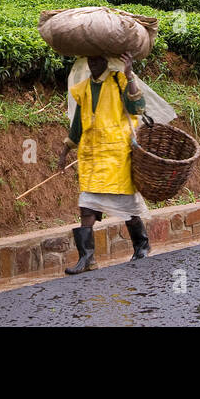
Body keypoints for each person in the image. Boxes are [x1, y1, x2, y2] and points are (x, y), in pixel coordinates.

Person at [56, 51, 150, 274]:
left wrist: (129, 76)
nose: (93, 63)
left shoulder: (119, 81)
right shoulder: (86, 88)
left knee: (128, 207)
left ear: (107, 62)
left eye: (97, 60)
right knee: (86, 205)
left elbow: (138, 108)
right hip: (92, 157)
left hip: (117, 156)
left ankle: (141, 247)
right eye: (90, 60)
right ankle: (87, 259)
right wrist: (65, 150)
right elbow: (78, 123)